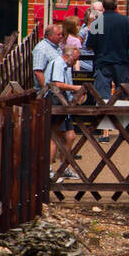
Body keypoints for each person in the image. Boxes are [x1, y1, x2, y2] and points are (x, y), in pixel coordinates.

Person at [87, 0, 129, 100]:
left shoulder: (98, 22)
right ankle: (122, 116)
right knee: (123, 96)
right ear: (116, 5)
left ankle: (105, 116)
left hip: (103, 63)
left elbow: (89, 46)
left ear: (103, 6)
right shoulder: (124, 20)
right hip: (121, 63)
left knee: (102, 98)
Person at [45, 43, 84, 176]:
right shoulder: (58, 63)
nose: (75, 62)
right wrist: (75, 88)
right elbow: (56, 84)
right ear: (67, 56)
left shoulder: (65, 65)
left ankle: (63, 168)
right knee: (55, 137)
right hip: (55, 102)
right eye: (74, 59)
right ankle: (48, 170)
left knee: (70, 136)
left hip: (63, 101)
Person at [33, 23, 63, 94]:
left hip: (57, 89)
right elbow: (38, 72)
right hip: (49, 93)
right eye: (58, 35)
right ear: (50, 36)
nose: (61, 36)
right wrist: (46, 91)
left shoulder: (55, 47)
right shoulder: (41, 49)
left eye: (61, 34)